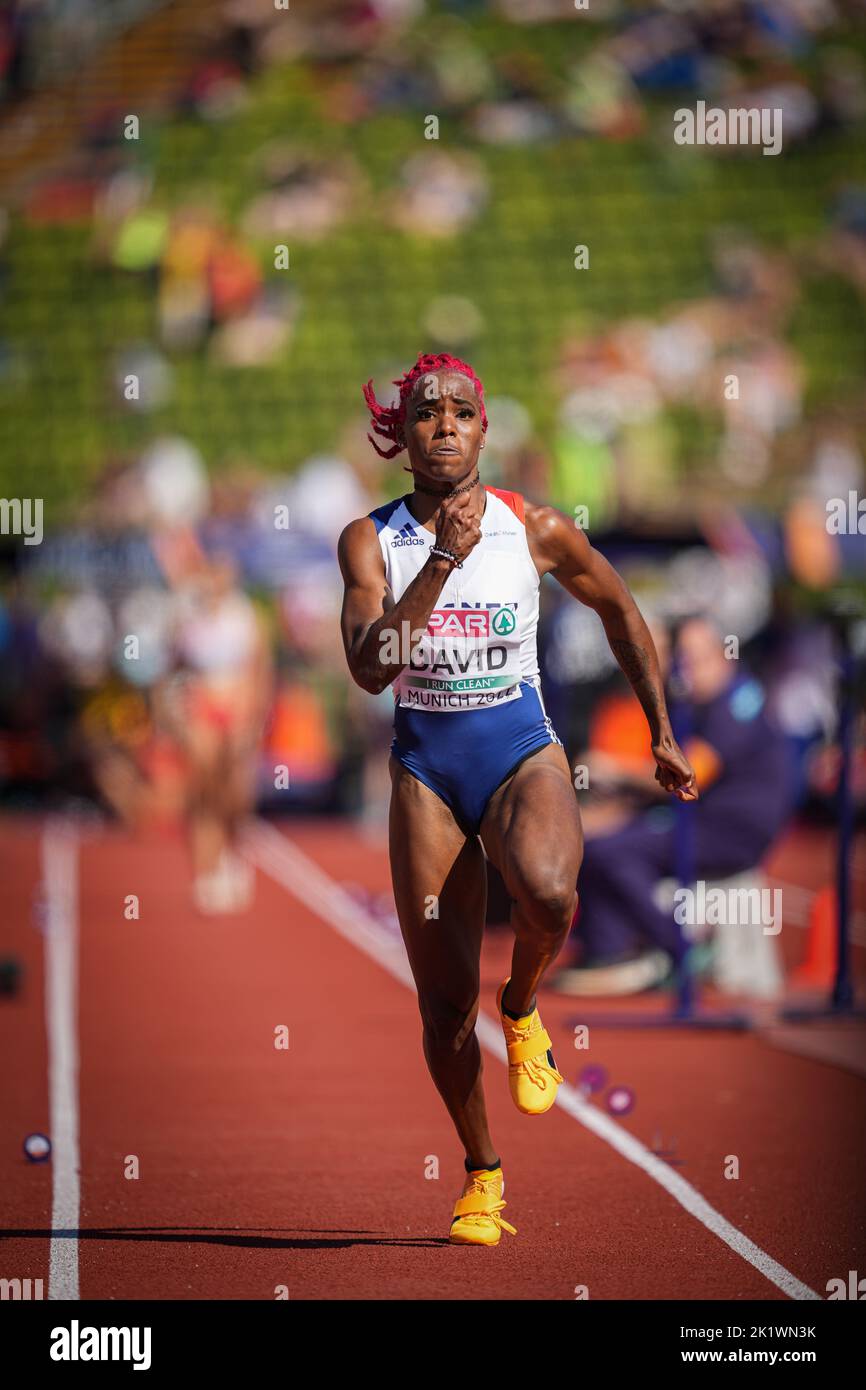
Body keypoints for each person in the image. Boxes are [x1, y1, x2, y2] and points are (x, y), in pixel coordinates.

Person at [337, 351, 696, 1246]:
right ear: (405, 436)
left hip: (519, 749)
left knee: (547, 891)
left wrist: (660, 729)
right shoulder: (369, 539)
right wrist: (441, 567)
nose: (446, 424)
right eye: (427, 414)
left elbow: (619, 608)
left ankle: (527, 1003)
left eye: (463, 410)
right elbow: (371, 669)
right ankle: (482, 1176)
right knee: (443, 1005)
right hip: (426, 771)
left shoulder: (532, 528)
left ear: (484, 429)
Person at [553, 615, 794, 996]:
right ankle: (608, 951)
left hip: (730, 829)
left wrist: (613, 771)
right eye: (683, 660)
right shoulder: (696, 703)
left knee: (609, 851)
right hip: (696, 818)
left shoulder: (736, 701)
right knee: (593, 840)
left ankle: (681, 948)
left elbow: (690, 775)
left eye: (697, 660)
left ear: (724, 656)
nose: (687, 671)